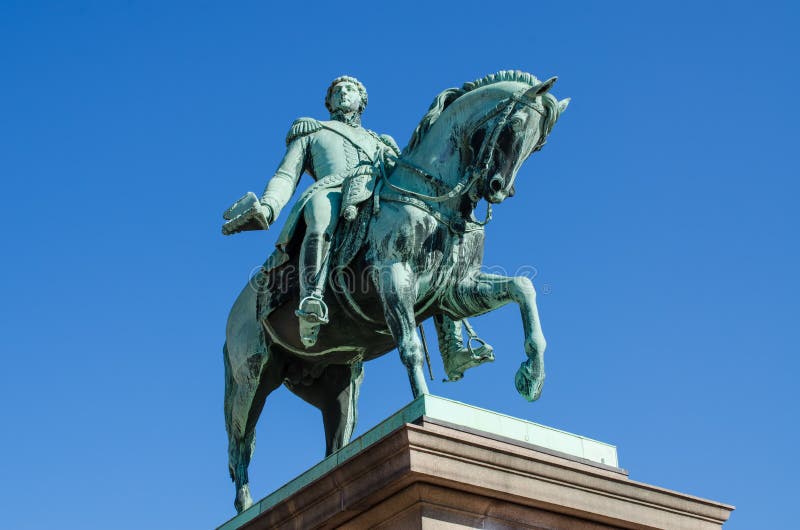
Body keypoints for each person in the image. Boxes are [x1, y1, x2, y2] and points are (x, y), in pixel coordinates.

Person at [257, 75, 493, 378]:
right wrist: (268, 206)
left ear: (362, 100)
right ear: (329, 103)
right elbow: (285, 176)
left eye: (350, 90)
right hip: (333, 189)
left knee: (434, 245)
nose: (344, 94)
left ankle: (452, 346)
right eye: (337, 92)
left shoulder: (381, 142)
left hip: (379, 198)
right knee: (320, 211)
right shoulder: (313, 131)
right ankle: (312, 299)